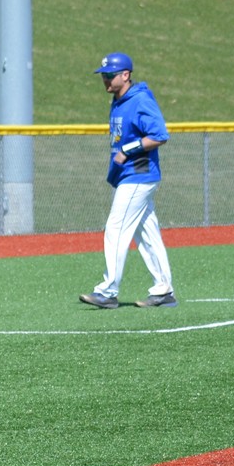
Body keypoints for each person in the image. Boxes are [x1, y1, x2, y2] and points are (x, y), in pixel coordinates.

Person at [80, 52, 177, 310]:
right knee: (146, 234)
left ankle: (108, 291)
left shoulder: (140, 99)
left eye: (111, 75)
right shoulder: (118, 100)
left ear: (126, 75)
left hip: (139, 174)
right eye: (103, 76)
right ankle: (164, 290)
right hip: (130, 175)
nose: (106, 80)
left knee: (116, 228)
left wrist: (128, 149)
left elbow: (159, 135)